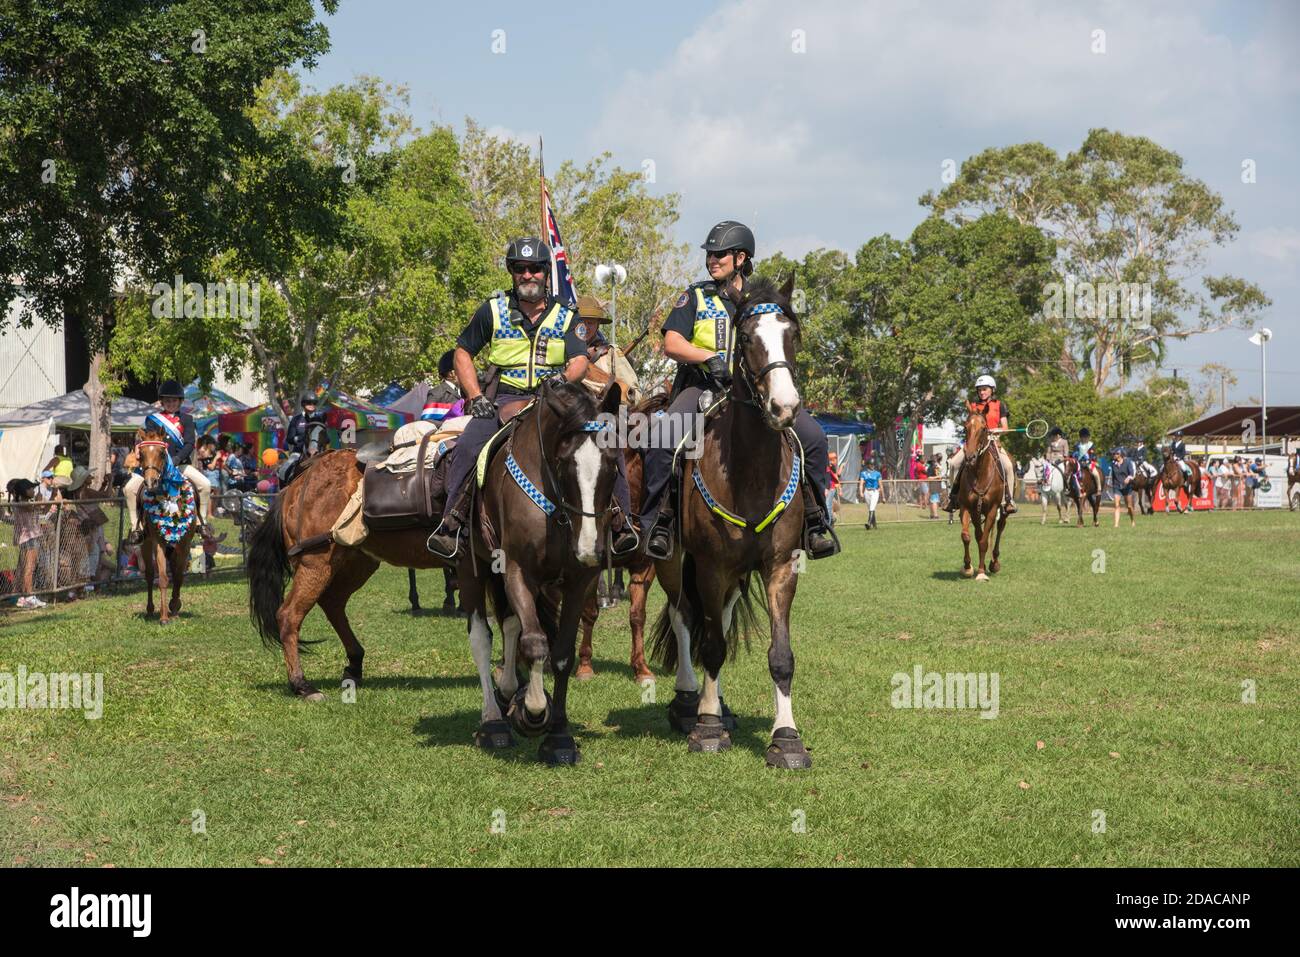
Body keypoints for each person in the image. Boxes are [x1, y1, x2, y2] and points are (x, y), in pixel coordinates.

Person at [640, 220, 837, 561]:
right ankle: (658, 522)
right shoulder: (696, 295)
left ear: (741, 257)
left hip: (755, 392)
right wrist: (708, 357)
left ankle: (815, 520)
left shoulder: (763, 302)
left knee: (815, 439)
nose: (712, 259)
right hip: (703, 385)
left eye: (720, 254)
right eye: (710, 254)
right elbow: (671, 343)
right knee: (662, 439)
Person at [427, 237, 635, 559]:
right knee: (468, 445)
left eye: (535, 268)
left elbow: (579, 359)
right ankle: (452, 524)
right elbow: (463, 353)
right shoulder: (492, 310)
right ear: (512, 272)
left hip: (556, 400)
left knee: (606, 438)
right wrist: (475, 395)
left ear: (545, 273)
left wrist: (563, 377)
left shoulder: (567, 315)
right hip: (503, 400)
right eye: (520, 269)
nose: (528, 275)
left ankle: (622, 523)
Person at [122, 380, 214, 545]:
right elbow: (148, 441)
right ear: (162, 402)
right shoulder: (153, 420)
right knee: (129, 489)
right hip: (155, 466)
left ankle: (202, 523)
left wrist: (177, 460)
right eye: (167, 400)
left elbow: (189, 444)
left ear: (180, 401)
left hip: (181, 465)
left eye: (174, 400)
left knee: (205, 485)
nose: (170, 404)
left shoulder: (187, 419)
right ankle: (136, 527)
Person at [945, 374, 1017, 514]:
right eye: (980, 390)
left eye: (985, 389)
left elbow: (1005, 427)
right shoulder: (973, 406)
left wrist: (998, 431)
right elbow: (969, 425)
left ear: (992, 390)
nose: (982, 392)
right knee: (954, 463)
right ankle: (953, 497)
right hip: (974, 443)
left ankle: (1009, 500)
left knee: (1008, 466)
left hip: (993, 442)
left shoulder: (999, 405)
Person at [575, 295, 642, 405]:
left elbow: (635, 396)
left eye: (590, 323)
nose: (585, 327)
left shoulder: (610, 353)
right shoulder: (564, 352)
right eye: (581, 322)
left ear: (597, 325)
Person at [420, 350, 462, 425]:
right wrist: (448, 426)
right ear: (452, 373)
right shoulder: (437, 393)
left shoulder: (464, 392)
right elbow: (427, 420)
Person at [1111, 448, 1137, 527]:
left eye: (1115, 454)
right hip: (1117, 486)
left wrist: (1128, 478)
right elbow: (1113, 475)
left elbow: (1132, 473)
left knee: (1129, 506)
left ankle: (1132, 520)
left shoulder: (1128, 462)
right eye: (1114, 454)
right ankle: (1116, 524)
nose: (1114, 455)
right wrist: (1112, 484)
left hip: (1127, 487)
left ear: (1120, 455)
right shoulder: (1113, 464)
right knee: (1116, 505)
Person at [858, 459, 881, 529]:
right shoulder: (863, 473)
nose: (872, 466)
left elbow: (880, 484)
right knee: (871, 508)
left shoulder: (877, 473)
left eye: (873, 464)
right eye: (871, 464)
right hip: (867, 491)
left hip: (874, 491)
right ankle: (875, 525)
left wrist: (882, 495)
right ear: (868, 465)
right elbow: (861, 484)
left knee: (871, 507)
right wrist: (861, 492)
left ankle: (869, 523)